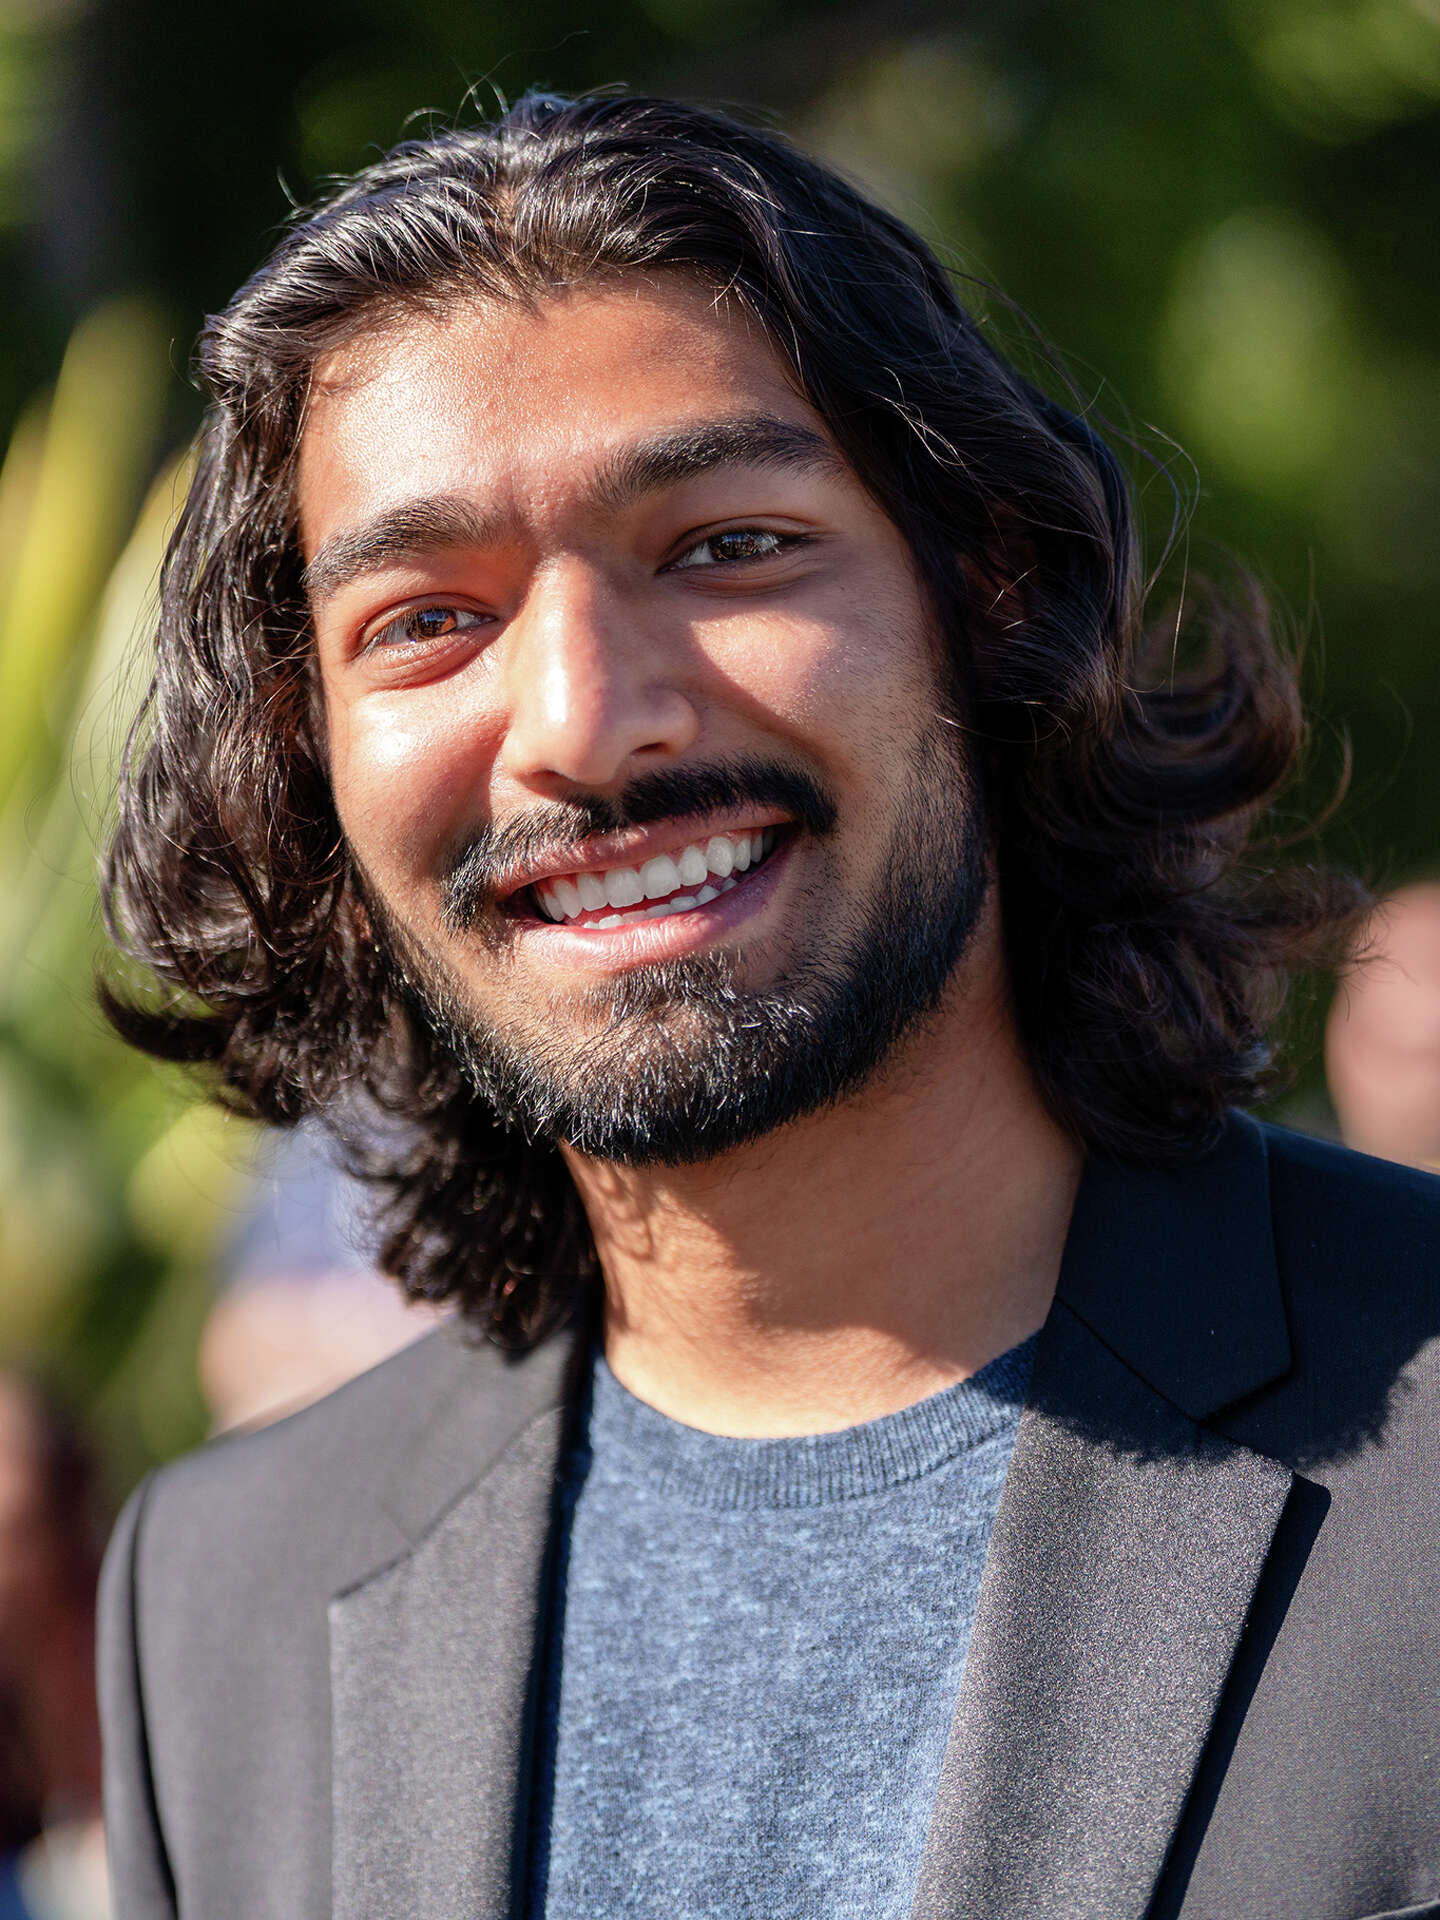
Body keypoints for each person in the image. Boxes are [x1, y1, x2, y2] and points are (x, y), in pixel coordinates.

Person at [95, 93, 1440, 1920]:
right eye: (425, 619)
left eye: (727, 546)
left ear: (989, 587)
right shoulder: (217, 1606)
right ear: (304, 755)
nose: (582, 722)